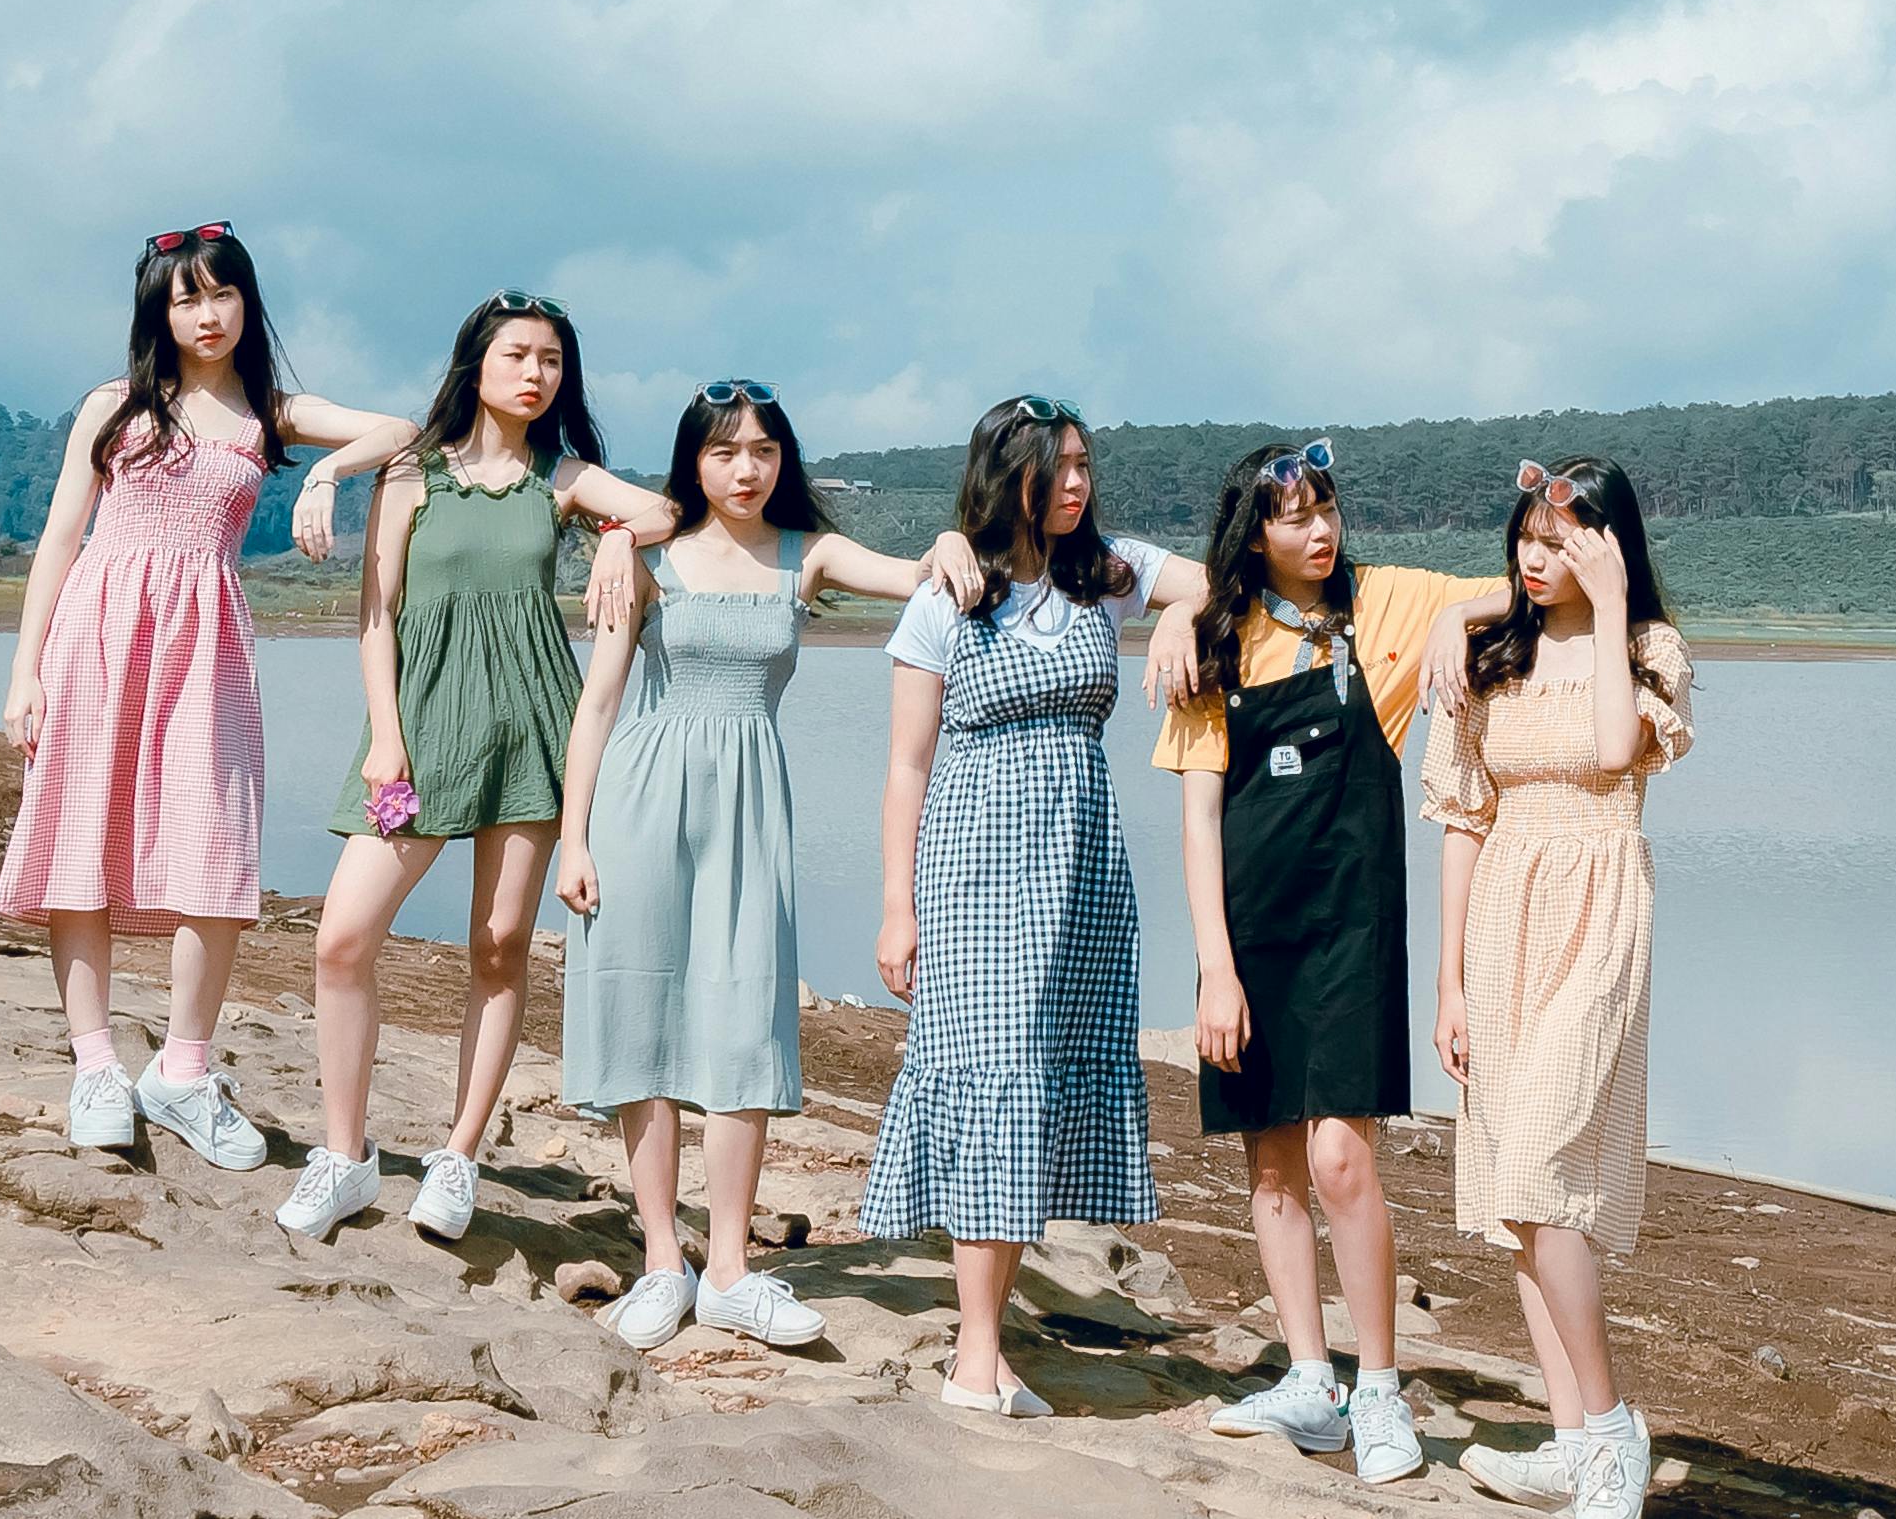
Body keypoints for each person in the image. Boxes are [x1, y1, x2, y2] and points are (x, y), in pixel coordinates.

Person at [554, 378, 980, 1353]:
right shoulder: (647, 555)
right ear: (692, 461)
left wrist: (950, 543)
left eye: (760, 449)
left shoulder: (805, 553)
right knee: (643, 1020)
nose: (744, 467)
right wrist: (574, 835)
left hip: (748, 812)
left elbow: (914, 573)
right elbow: (597, 704)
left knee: (744, 1024)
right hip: (640, 801)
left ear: (781, 458)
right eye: (723, 450)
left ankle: (732, 1268)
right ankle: (664, 1257)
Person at [0, 223, 423, 1165]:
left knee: (216, 853)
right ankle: (95, 1066)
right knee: (83, 839)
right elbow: (61, 540)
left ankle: (182, 1072)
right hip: (97, 634)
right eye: (185, 298)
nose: (205, 314)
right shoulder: (113, 405)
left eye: (220, 294)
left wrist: (327, 472)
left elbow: (405, 429)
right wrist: (25, 669)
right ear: (161, 309)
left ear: (246, 301)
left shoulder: (272, 408)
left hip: (208, 644)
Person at [278, 291, 673, 1247]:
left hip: (530, 728)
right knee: (341, 939)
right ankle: (346, 1156)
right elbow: (378, 614)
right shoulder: (412, 474)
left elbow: (665, 510)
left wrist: (615, 537)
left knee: (497, 950)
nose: (535, 374)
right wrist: (385, 734)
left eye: (551, 361)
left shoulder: (564, 478)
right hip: (421, 728)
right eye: (517, 356)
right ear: (477, 364)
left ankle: (458, 1157)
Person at [1151, 438, 1507, 1482]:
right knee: (1267, 1162)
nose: (1318, 529)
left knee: (1341, 1156)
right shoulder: (1215, 636)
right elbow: (1197, 822)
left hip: (1351, 923)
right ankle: (1308, 1378)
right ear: (1253, 531)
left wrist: (1454, 615)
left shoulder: (1384, 602)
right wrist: (1213, 967)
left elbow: (1526, 586)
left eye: (1327, 507)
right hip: (1250, 931)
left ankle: (1381, 1383)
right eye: (1293, 515)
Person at [858, 395, 1211, 1419]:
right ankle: (974, 1355)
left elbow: (1213, 577)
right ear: (1002, 471)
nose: (1074, 483)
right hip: (972, 861)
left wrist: (1180, 611)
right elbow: (903, 765)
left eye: (1083, 465)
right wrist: (895, 904)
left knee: (1039, 1087)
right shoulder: (948, 596)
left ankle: (990, 1343)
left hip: (1082, 868)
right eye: (1052, 467)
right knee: (995, 1078)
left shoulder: (1102, 574)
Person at [1425, 456, 1694, 1519]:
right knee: (1511, 1196)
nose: (1536, 558)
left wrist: (1618, 594)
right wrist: (1445, 978)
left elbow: (1606, 751)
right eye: (1525, 538)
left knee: (1542, 1167)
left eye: (1562, 539)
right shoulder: (1487, 656)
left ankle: (1613, 1425)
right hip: (1500, 923)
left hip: (1594, 911)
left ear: (1608, 544)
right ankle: (1574, 1433)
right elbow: (1459, 820)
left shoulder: (1649, 654)